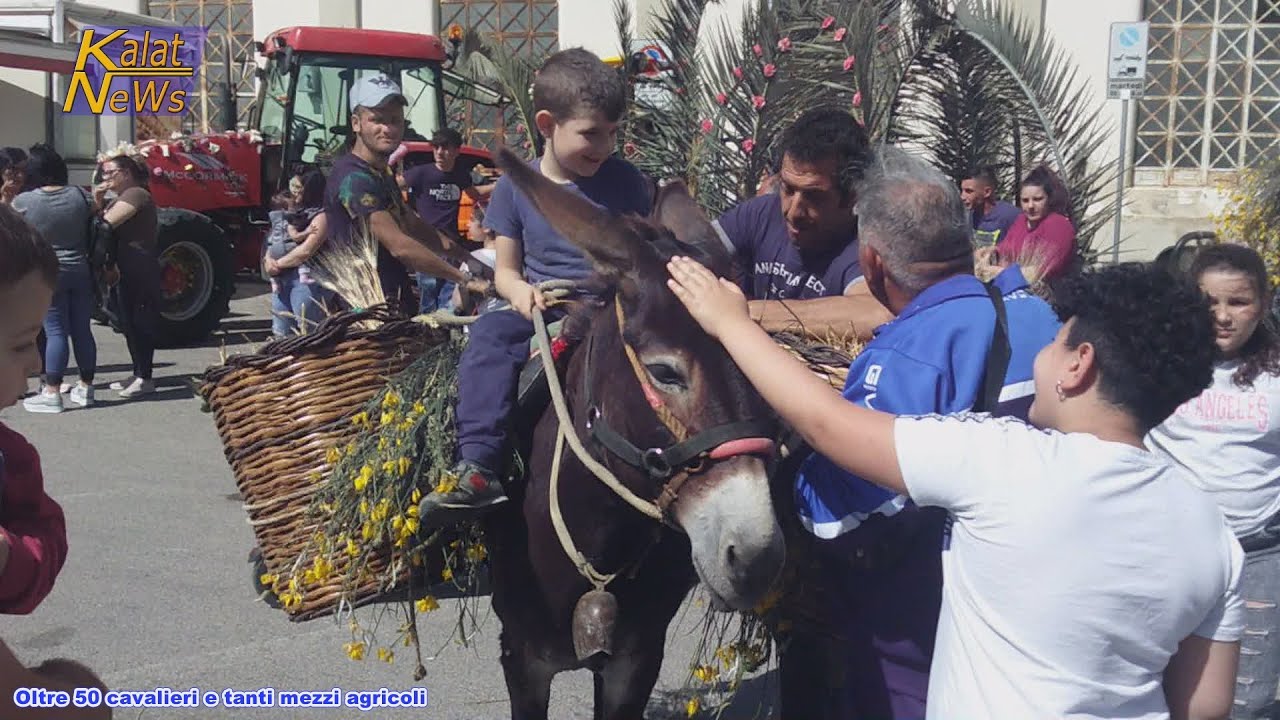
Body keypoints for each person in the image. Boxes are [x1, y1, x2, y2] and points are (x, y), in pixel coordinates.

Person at [668, 243, 1246, 720]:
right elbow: (1206, 706)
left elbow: (827, 424)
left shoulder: (1002, 460)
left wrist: (730, 322)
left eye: (1053, 342)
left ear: (1079, 365)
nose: (1041, 355)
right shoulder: (1213, 532)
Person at [759, 147, 1061, 719]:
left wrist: (795, 481)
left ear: (871, 263)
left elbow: (841, 514)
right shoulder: (1039, 318)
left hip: (920, 634)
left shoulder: (902, 356)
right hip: (1028, 617)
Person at [417, 47, 653, 523]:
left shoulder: (629, 183)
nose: (604, 147)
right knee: (488, 336)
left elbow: (644, 253)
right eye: (591, 134)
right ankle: (479, 462)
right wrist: (520, 292)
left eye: (612, 134)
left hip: (611, 307)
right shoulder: (514, 188)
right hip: (543, 307)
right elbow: (505, 269)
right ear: (547, 125)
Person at [1147, 243, 1280, 719]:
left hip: (1258, 552)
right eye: (1209, 302)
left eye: (1238, 302)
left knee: (1250, 695)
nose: (1223, 316)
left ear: (1262, 303)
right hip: (1171, 549)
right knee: (1162, 679)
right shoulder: (1162, 367)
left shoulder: (1275, 375)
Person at [0, 202, 110, 720]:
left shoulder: (10, 458)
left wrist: (8, 557)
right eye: (22, 344)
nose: (35, 363)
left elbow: (43, 536)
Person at [712, 108, 892, 342]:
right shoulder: (761, 213)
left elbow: (875, 315)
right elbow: (686, 253)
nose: (793, 211)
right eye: (787, 189)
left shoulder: (864, 246)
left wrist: (740, 312)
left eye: (814, 197)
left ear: (852, 196)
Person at [323, 74, 488, 316]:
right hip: (363, 306)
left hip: (390, 297)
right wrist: (463, 278)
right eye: (377, 120)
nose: (387, 128)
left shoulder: (381, 173)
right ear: (356, 123)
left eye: (395, 120)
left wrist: (466, 256)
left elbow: (411, 222)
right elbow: (400, 245)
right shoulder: (354, 179)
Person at [14, 144, 99, 413]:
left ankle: (52, 391)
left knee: (55, 331)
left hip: (48, 273)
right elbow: (96, 211)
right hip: (81, 269)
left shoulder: (26, 201)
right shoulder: (78, 195)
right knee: (82, 329)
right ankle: (86, 387)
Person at [403, 127, 494, 313]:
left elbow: (473, 194)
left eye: (445, 148)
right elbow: (393, 186)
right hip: (427, 244)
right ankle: (428, 333)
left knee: (448, 295)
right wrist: (406, 213)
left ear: (456, 151)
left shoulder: (460, 175)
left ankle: (447, 332)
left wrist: (499, 185)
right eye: (436, 147)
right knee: (428, 292)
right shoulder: (420, 173)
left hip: (452, 244)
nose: (439, 152)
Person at [96, 150, 161, 399]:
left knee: (140, 321)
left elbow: (107, 223)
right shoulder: (122, 195)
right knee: (128, 322)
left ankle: (145, 376)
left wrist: (99, 204)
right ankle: (137, 373)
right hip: (124, 265)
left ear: (126, 173)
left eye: (110, 173)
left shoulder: (136, 194)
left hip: (139, 265)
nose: (106, 177)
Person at [265, 169, 333, 335]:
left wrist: (277, 264)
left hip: (307, 280)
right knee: (281, 331)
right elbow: (273, 238)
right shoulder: (291, 211)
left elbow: (305, 251)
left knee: (307, 330)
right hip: (282, 279)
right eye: (293, 186)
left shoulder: (322, 216)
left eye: (299, 187)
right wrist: (267, 261)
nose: (295, 191)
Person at [996, 164, 1077, 283]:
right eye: (1025, 200)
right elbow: (1002, 251)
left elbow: (1041, 269)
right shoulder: (1021, 221)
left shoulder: (1058, 225)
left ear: (1049, 199)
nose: (1030, 206)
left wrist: (998, 272)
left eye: (1038, 199)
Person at [960, 166, 1019, 246]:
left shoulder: (1011, 216)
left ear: (987, 192)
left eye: (969, 191)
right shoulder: (968, 216)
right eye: (962, 191)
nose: (962, 197)